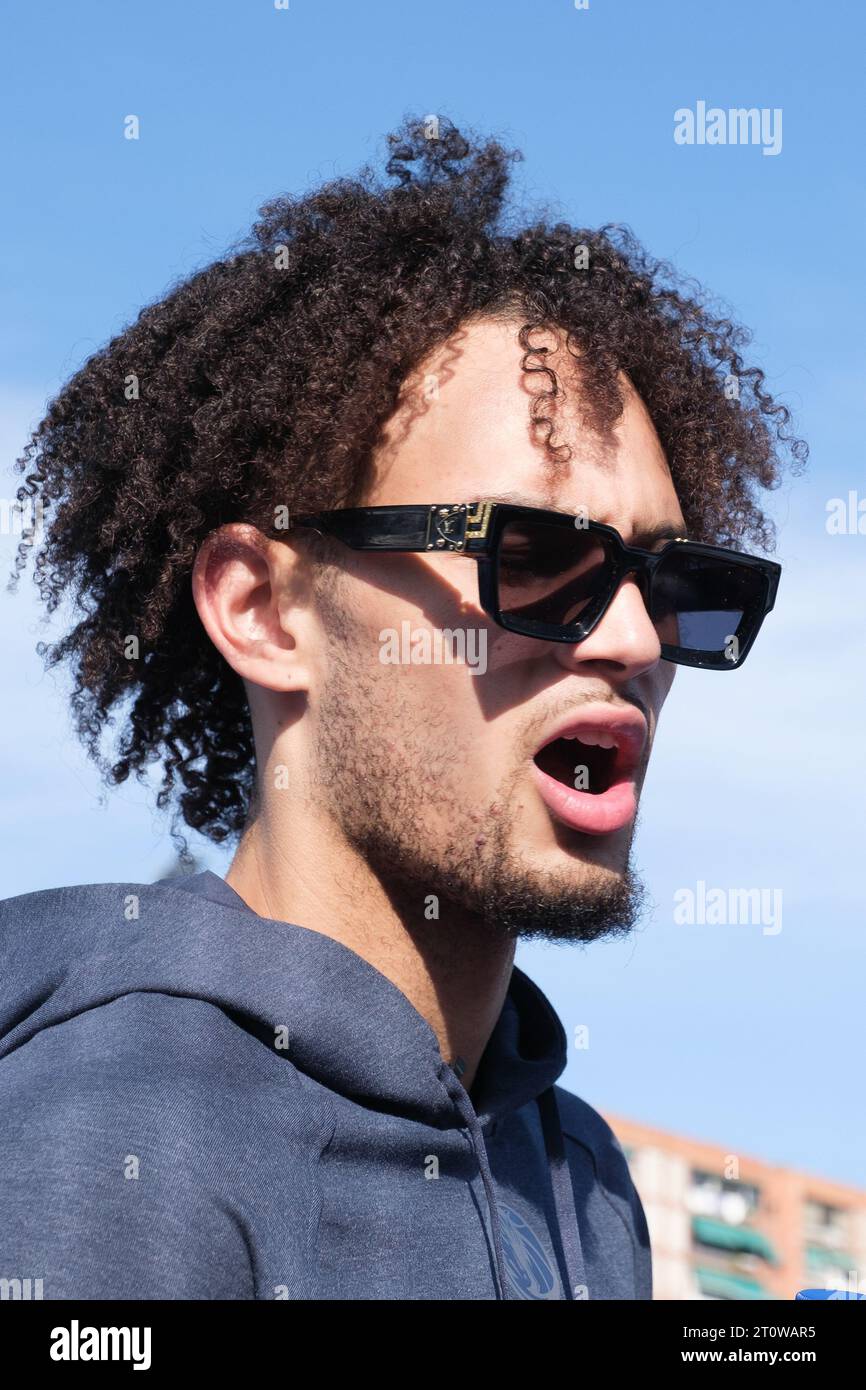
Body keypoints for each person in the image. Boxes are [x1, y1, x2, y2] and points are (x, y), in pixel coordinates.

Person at [0, 117, 803, 1300]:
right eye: (532, 559)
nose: (632, 640)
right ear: (265, 613)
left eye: (684, 587)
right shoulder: (111, 1136)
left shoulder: (578, 1181)